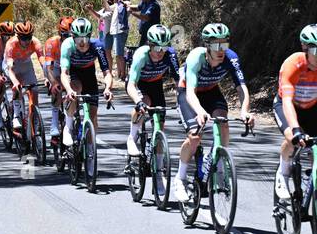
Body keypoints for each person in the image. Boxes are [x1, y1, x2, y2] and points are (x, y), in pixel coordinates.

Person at [172, 22, 253, 203]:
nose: (220, 49)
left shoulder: (231, 58)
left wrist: (244, 110)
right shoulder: (196, 58)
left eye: (224, 44)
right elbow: (191, 93)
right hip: (188, 92)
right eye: (216, 45)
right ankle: (180, 178)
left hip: (210, 90)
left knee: (223, 122)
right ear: (207, 46)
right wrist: (200, 111)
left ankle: (220, 165)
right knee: (194, 136)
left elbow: (241, 88)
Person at [273, 24, 317, 200]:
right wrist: (296, 129)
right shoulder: (293, 63)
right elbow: (286, 101)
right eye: (315, 49)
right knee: (292, 138)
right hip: (287, 106)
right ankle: (283, 173)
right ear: (304, 47)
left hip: (311, 108)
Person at [124, 23, 178, 159]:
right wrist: (138, 101)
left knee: (159, 124)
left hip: (156, 84)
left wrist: (182, 101)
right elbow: (131, 84)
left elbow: (179, 82)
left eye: (164, 47)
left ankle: (158, 166)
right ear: (149, 44)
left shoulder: (170, 55)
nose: (160, 51)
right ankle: (132, 137)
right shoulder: (141, 55)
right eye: (157, 47)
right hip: (138, 84)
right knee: (144, 102)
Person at [59, 17, 113, 147]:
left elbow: (107, 72)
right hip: (74, 72)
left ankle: (89, 150)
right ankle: (68, 125)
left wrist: (107, 88)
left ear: (90, 36)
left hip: (89, 74)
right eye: (78, 39)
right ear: (73, 37)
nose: (82, 43)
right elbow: (64, 73)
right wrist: (69, 90)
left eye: (85, 39)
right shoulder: (67, 45)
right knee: (75, 91)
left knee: (93, 117)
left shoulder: (98, 46)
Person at [4, 21, 45, 141]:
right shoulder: (11, 44)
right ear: (18, 36)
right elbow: (10, 69)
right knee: (17, 88)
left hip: (26, 64)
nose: (27, 41)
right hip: (12, 65)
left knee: (35, 90)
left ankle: (34, 121)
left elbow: (43, 62)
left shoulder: (36, 42)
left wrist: (48, 77)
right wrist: (15, 82)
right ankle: (16, 116)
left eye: (29, 37)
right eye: (23, 38)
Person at [42, 17, 73, 145]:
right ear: (60, 34)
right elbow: (49, 68)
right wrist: (53, 82)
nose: (69, 39)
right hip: (54, 66)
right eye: (66, 36)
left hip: (69, 66)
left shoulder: (77, 43)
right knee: (57, 90)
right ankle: (54, 126)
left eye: (72, 36)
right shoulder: (51, 43)